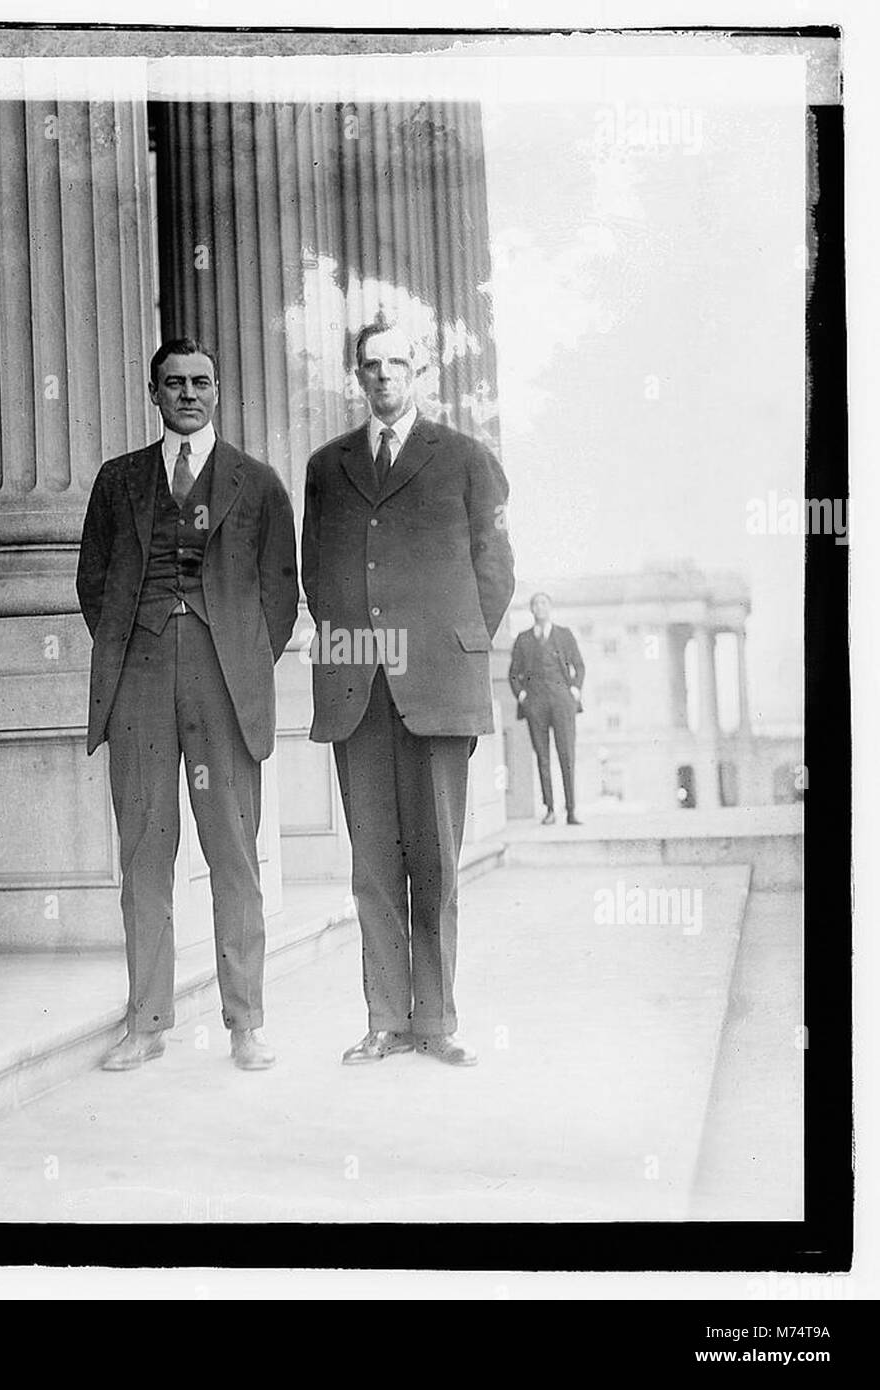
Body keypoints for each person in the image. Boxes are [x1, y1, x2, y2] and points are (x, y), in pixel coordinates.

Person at [77, 337, 298, 1071]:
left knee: (233, 850)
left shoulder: (258, 483)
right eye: (173, 383)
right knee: (144, 848)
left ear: (217, 391)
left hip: (223, 678)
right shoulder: (118, 482)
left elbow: (279, 594)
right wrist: (138, 639)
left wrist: (234, 654)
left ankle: (246, 1023)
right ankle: (146, 1023)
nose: (188, 394)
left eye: (201, 382)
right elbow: (94, 581)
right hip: (138, 673)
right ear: (153, 393)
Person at [301, 320, 515, 1067]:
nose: (383, 376)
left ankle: (436, 1025)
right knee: (372, 868)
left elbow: (495, 570)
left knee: (436, 863)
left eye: (397, 363)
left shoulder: (463, 459)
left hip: (437, 689)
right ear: (354, 375)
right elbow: (315, 571)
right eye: (370, 365)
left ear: (419, 369)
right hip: (358, 688)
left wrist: (450, 647)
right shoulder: (327, 466)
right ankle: (385, 1020)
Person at [508, 592, 585, 826]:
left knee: (566, 755)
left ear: (550, 607)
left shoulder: (564, 634)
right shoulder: (523, 639)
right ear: (531, 610)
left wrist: (574, 690)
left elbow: (579, 666)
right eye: (535, 604)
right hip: (536, 703)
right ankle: (550, 809)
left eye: (543, 603)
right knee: (542, 756)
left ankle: (571, 810)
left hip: (562, 701)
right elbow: (513, 674)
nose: (539, 608)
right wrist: (522, 696)